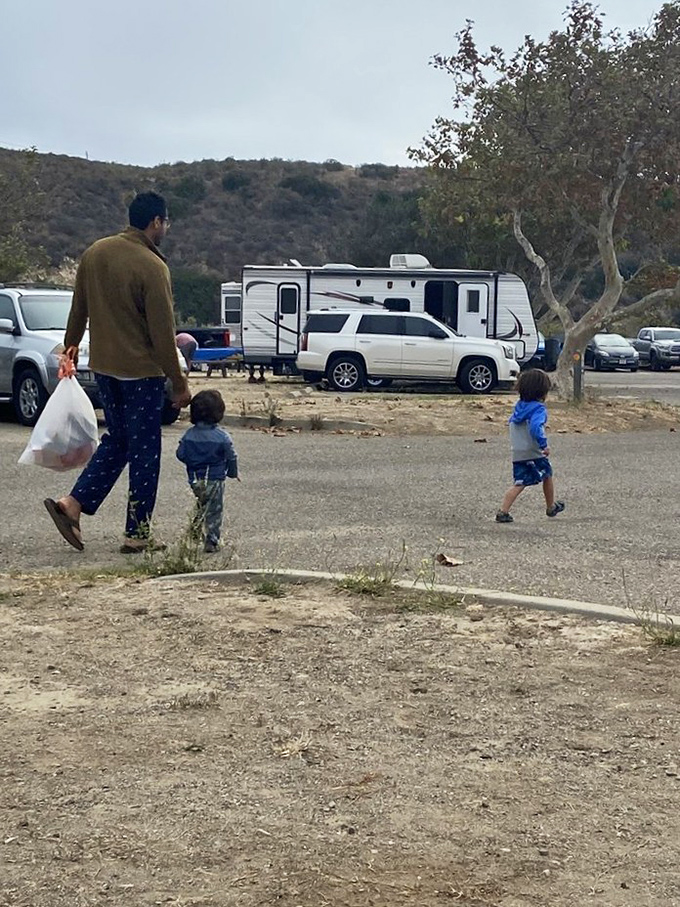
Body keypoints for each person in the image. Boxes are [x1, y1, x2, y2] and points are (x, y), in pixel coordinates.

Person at [44, 191, 192, 554]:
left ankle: (72, 504)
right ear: (156, 221)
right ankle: (137, 533)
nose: (165, 229)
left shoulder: (95, 252)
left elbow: (78, 308)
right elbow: (162, 335)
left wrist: (71, 349)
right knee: (145, 453)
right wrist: (179, 382)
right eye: (165, 223)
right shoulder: (152, 266)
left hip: (105, 369)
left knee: (119, 441)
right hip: (141, 373)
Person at [496, 368, 565, 523]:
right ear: (542, 392)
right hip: (533, 452)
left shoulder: (519, 407)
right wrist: (543, 444)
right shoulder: (538, 409)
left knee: (519, 482)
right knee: (547, 474)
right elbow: (535, 427)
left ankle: (503, 510)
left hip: (518, 451)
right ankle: (550, 506)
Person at [176, 389, 239, 553]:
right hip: (215, 478)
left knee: (201, 503)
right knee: (214, 510)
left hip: (195, 478)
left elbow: (180, 454)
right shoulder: (222, 437)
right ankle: (212, 540)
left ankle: (195, 530)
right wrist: (232, 472)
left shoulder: (189, 435)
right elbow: (231, 457)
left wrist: (193, 461)